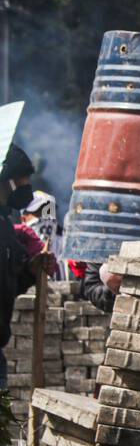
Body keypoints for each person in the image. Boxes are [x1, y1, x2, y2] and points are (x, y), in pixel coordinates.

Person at [0, 145, 44, 390]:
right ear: (6, 179)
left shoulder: (6, 225)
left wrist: (29, 271)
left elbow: (7, 285)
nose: (26, 189)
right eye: (22, 182)